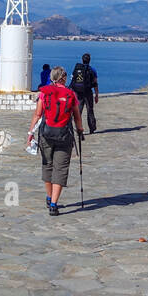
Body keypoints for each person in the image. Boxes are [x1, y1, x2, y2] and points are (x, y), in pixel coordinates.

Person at [30, 66, 84, 216]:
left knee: (48, 165)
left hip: (46, 134)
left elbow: (37, 114)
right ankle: (54, 204)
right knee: (60, 168)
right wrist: (80, 130)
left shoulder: (44, 93)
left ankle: (49, 196)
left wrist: (30, 134)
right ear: (63, 78)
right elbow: (77, 116)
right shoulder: (70, 94)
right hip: (64, 136)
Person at [69, 52, 99, 133]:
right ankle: (92, 128)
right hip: (88, 92)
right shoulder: (92, 70)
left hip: (78, 92)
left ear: (82, 60)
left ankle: (78, 128)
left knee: (79, 111)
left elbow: (72, 80)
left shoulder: (77, 69)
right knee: (90, 110)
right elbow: (95, 83)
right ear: (89, 60)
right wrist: (96, 95)